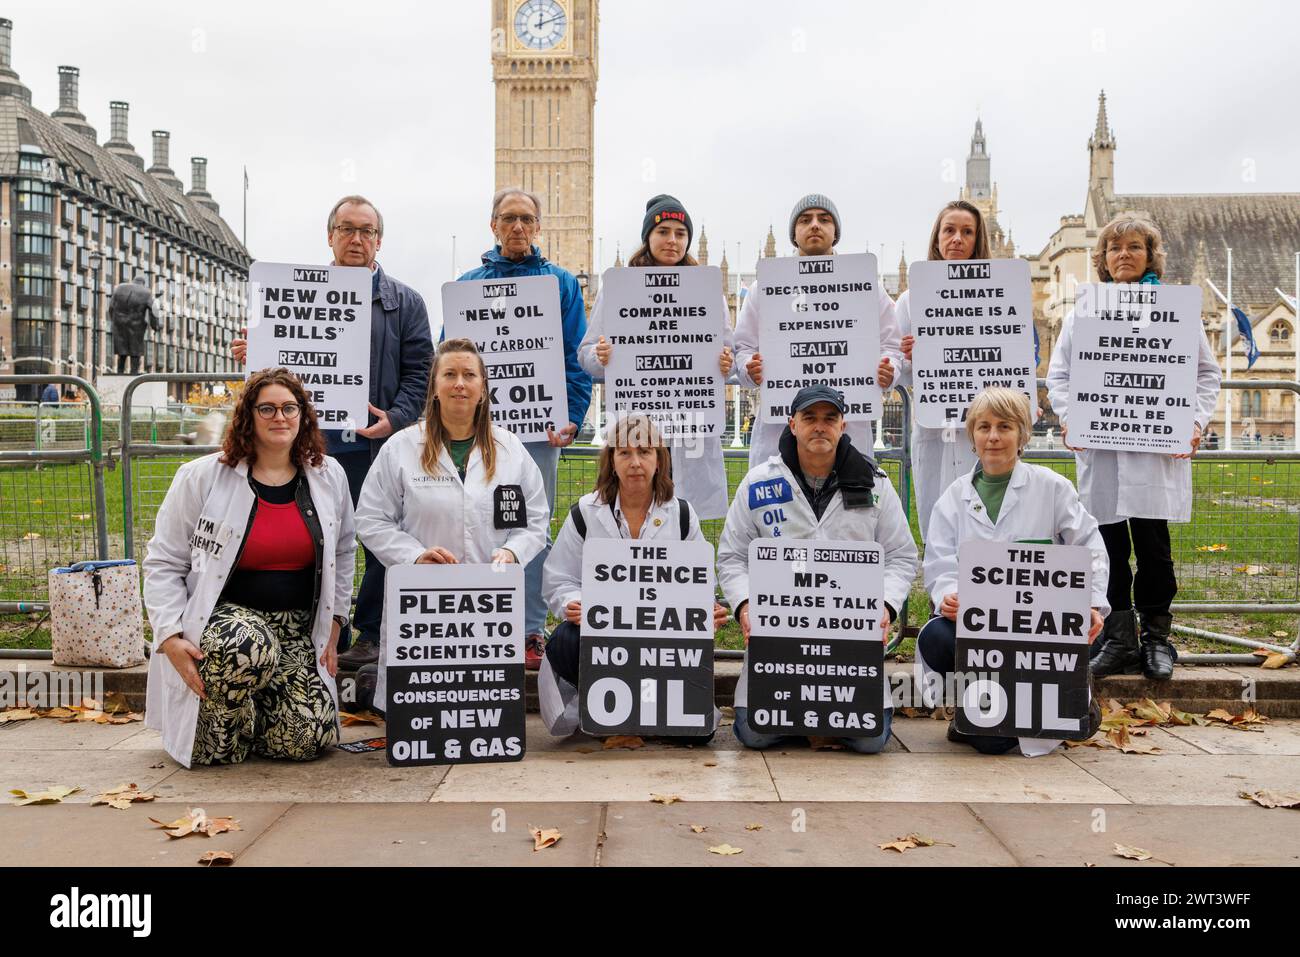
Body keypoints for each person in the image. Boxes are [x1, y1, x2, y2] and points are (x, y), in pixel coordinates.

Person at [232, 195, 434, 669]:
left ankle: (370, 632)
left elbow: (421, 371)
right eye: (347, 229)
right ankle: (313, 628)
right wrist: (255, 353)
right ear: (330, 236)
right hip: (310, 445)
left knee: (382, 537)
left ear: (379, 240)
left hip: (375, 446)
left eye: (366, 231)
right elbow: (276, 373)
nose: (357, 239)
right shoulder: (293, 293)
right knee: (309, 536)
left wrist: (396, 418)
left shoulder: (406, 302)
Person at [142, 368, 354, 767]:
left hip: (295, 628)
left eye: (290, 407)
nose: (280, 417)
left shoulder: (328, 476)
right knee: (244, 660)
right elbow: (164, 561)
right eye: (268, 408)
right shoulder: (203, 476)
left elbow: (343, 552)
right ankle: (222, 722)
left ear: (303, 415)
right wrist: (169, 634)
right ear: (248, 416)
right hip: (225, 630)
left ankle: (260, 710)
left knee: (305, 741)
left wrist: (337, 619)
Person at [1047, 216, 1220, 680]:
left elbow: (1206, 373)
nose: (1124, 254)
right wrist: (1070, 416)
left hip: (1154, 452)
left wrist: (1195, 422)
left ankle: (1157, 640)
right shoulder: (1085, 311)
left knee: (1154, 551)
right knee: (1108, 550)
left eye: (1135, 247)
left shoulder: (1175, 309)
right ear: (1102, 259)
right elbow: (1058, 374)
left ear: (1150, 255)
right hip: (1102, 453)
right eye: (1114, 247)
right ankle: (1119, 638)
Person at [717, 384, 919, 752]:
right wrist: (745, 606)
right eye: (809, 418)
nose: (819, 427)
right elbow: (732, 557)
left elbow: (902, 556)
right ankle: (808, 722)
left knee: (870, 740)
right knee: (755, 734)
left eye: (830, 419)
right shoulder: (760, 482)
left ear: (843, 426)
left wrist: (886, 606)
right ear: (792, 424)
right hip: (778, 644)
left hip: (850, 644)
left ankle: (813, 722)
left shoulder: (876, 484)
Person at [354, 338, 549, 711]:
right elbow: (372, 519)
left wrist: (511, 552)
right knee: (421, 711)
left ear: (482, 389)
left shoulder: (512, 451)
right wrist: (414, 555)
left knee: (480, 708)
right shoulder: (401, 448)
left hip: (488, 603)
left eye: (469, 375)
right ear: (435, 387)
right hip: (422, 607)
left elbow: (536, 520)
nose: (460, 383)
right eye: (450, 374)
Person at [918, 386, 1108, 756]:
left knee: (995, 740)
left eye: (1004, 426)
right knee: (937, 640)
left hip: (1039, 630)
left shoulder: (1052, 488)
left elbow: (1090, 548)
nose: (993, 436)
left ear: (1022, 434)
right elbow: (939, 562)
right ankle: (971, 705)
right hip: (979, 629)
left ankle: (1069, 697)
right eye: (983, 426)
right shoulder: (953, 499)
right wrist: (947, 595)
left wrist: (1091, 604)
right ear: (971, 434)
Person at [455, 187, 593, 670]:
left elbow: (576, 355)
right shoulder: (467, 285)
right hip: (474, 434)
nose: (518, 227)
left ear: (539, 228)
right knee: (470, 521)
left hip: (537, 435)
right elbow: (450, 362)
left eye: (527, 219)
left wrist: (573, 416)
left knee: (529, 527)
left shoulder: (561, 284)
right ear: (492, 225)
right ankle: (476, 625)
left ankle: (531, 629)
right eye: (508, 218)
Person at [538, 412, 730, 738]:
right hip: (605, 635)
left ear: (660, 460)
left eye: (645, 452)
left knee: (696, 737)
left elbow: (701, 583)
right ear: (611, 460)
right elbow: (558, 578)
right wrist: (573, 603)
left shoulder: (682, 514)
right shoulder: (585, 513)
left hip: (661, 638)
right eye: (624, 453)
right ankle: (603, 702)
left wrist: (708, 609)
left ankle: (653, 708)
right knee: (564, 642)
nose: (635, 462)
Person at [579, 194, 734, 520]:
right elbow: (586, 355)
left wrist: (726, 363)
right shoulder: (619, 289)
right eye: (663, 231)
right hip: (639, 427)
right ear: (648, 237)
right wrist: (601, 355)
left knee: (684, 524)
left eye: (680, 234)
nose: (672, 240)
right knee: (633, 519)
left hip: (691, 427)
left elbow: (728, 355)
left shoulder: (708, 292)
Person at [895, 200, 1040, 539]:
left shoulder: (1006, 293)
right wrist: (908, 358)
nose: (957, 239)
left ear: (979, 240)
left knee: (994, 520)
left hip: (989, 429)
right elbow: (898, 372)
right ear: (937, 237)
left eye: (967, 232)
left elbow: (1019, 352)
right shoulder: (910, 299)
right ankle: (942, 590)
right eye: (949, 230)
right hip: (935, 428)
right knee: (938, 516)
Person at [733, 194, 903, 470]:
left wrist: (890, 370)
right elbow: (743, 349)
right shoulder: (765, 286)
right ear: (793, 234)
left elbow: (892, 347)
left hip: (848, 429)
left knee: (849, 508)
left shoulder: (865, 284)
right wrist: (748, 369)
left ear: (835, 233)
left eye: (824, 220)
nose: (815, 225)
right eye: (805, 220)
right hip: (780, 428)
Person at [108, 275, 162, 375]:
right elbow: (153, 311)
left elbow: (111, 307)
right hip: (136, 324)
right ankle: (134, 372)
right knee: (135, 350)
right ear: (143, 283)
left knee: (122, 350)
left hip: (119, 323)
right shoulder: (146, 292)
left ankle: (120, 371)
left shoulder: (119, 288)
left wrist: (114, 321)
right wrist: (155, 326)